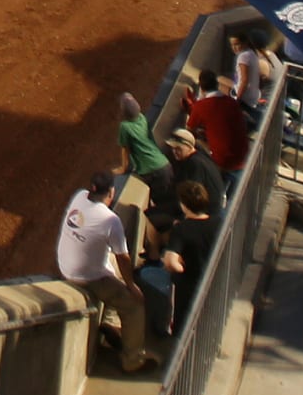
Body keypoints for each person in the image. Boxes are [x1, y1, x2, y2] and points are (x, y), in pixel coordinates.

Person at [56, 172, 153, 373]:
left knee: (110, 265)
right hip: (86, 278)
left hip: (65, 266)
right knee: (134, 304)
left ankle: (111, 324)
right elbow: (124, 259)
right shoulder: (111, 220)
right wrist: (132, 286)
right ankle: (133, 361)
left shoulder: (79, 196)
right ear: (111, 192)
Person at [137, 178, 218, 337]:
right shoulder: (218, 223)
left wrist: (182, 266)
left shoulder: (182, 229)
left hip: (187, 284)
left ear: (184, 204)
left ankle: (162, 325)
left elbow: (170, 263)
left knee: (144, 275)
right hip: (213, 279)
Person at [185, 68, 250, 177]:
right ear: (217, 85)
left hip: (224, 162)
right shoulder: (232, 102)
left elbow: (189, 131)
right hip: (244, 156)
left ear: (201, 88)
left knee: (195, 142)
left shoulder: (201, 107)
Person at [115, 92, 168, 182]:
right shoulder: (142, 118)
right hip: (164, 164)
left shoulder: (125, 126)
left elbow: (125, 149)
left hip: (152, 171)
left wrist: (123, 168)